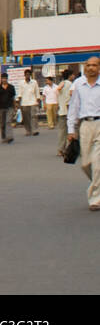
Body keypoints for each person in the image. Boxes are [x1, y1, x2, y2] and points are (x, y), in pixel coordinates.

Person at [65, 55, 100, 211]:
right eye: (88, 65)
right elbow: (73, 108)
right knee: (86, 164)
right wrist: (71, 130)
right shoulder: (79, 84)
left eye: (94, 65)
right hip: (85, 126)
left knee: (98, 164)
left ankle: (95, 199)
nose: (90, 68)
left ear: (99, 68)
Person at [0, 73, 17, 143]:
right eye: (3, 78)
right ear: (1, 79)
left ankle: (9, 136)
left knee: (8, 121)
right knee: (3, 123)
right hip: (1, 107)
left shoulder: (11, 87)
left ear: (7, 79)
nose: (4, 80)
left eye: (5, 78)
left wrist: (15, 106)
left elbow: (13, 98)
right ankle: (4, 137)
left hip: (10, 106)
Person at [58, 69, 75, 156]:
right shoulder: (69, 84)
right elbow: (69, 99)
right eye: (73, 75)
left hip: (61, 110)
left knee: (62, 131)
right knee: (70, 131)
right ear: (70, 76)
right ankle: (69, 149)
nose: (74, 76)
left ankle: (61, 149)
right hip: (68, 111)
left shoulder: (61, 83)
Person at [18, 71, 40, 136]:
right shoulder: (21, 83)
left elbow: (37, 91)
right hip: (24, 102)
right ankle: (28, 130)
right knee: (26, 118)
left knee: (33, 116)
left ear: (30, 75)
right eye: (26, 75)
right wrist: (18, 102)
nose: (27, 76)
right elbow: (20, 93)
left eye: (29, 74)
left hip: (33, 101)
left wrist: (38, 99)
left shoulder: (34, 82)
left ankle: (34, 130)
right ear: (24, 75)